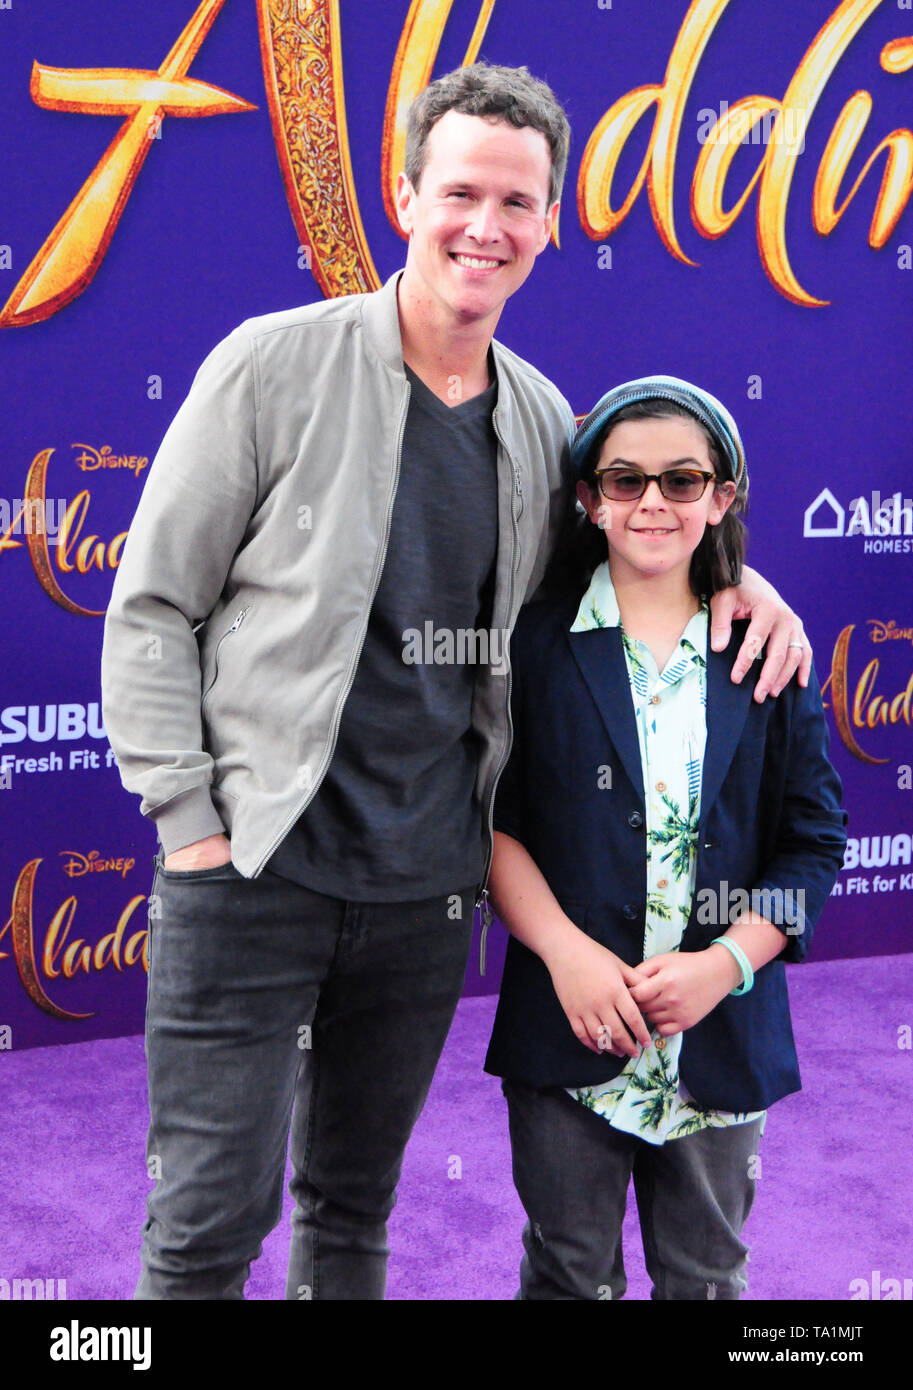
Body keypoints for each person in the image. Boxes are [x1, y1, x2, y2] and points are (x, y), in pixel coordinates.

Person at [101, 62, 810, 1302]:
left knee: (351, 1206)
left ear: (549, 224)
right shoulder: (270, 366)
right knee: (211, 1219)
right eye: (463, 192)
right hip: (252, 874)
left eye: (518, 203)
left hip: (425, 891)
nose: (487, 226)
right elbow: (155, 605)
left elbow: (648, 535)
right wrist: (191, 828)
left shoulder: (545, 425)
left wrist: (747, 585)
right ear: (404, 193)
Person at [484, 375, 848, 1301]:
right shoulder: (530, 649)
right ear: (587, 498)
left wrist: (726, 963)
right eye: (623, 480)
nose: (651, 502)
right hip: (568, 1032)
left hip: (721, 1038)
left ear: (721, 495)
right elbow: (488, 824)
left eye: (682, 481)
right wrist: (564, 952)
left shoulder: (770, 653)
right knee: (568, 1272)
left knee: (705, 1278)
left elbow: (813, 839)